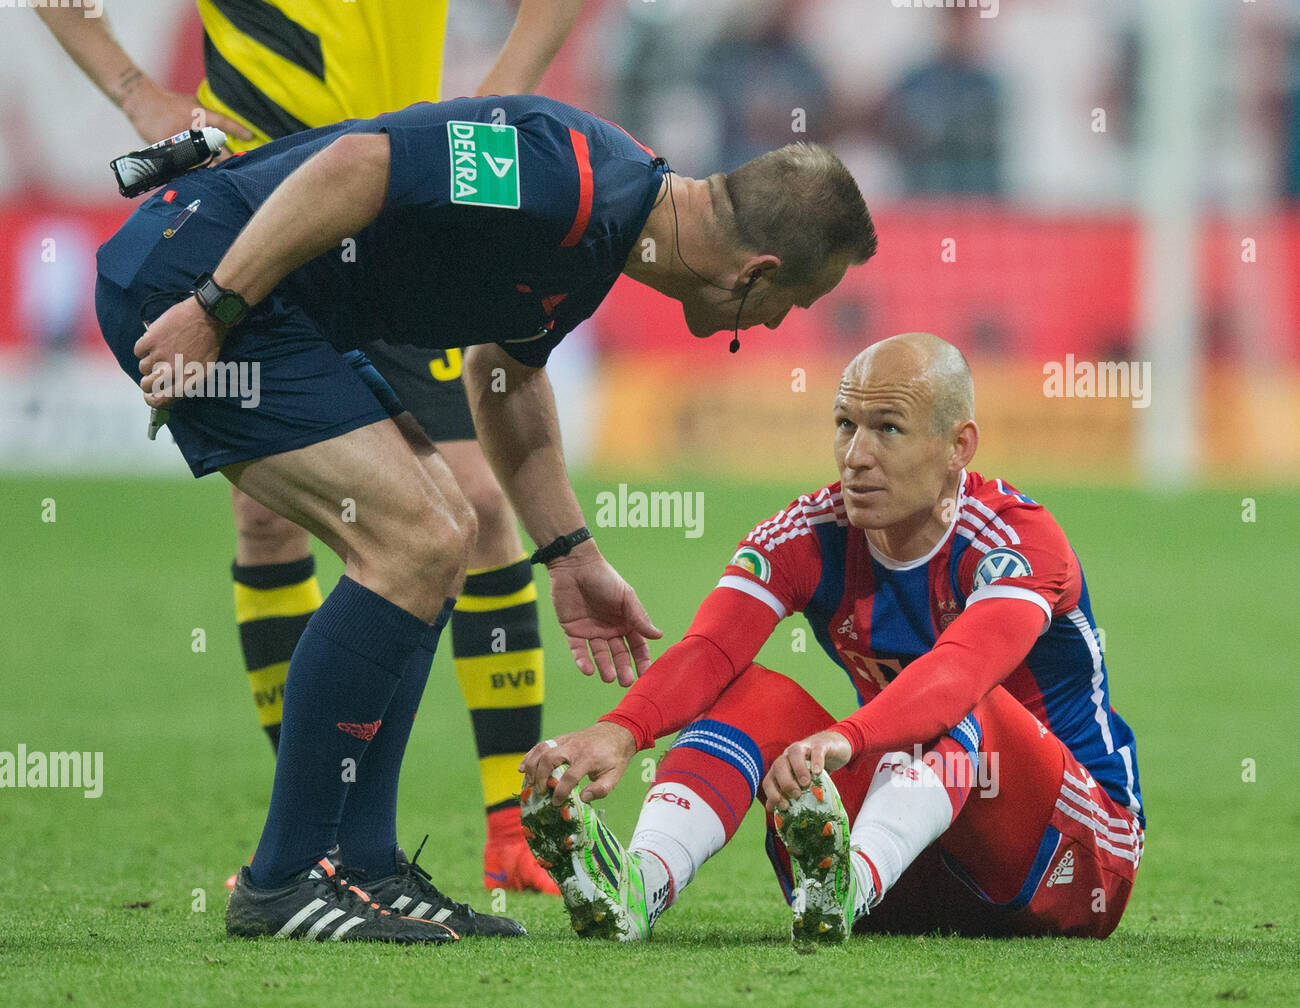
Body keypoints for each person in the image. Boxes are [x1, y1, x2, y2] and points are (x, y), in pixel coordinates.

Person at [94, 97, 877, 942]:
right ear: (757, 271)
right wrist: (213, 307)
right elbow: (359, 164)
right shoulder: (573, 185)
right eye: (795, 302)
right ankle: (284, 877)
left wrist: (571, 555)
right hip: (200, 291)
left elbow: (504, 376)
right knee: (413, 538)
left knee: (447, 531)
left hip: (279, 314)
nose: (776, 323)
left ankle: (363, 864)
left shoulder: (608, 233)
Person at [38, 0, 584, 898]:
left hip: (394, 200)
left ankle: (509, 829)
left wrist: (490, 105)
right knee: (265, 522)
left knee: (479, 505)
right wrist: (136, 92)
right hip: (249, 199)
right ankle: (313, 834)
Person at [520, 332, 1143, 943]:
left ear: (959, 446)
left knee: (961, 697)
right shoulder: (808, 533)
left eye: (888, 429)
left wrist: (844, 738)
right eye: (846, 424)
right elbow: (710, 650)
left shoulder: (1015, 538)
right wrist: (621, 730)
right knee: (746, 689)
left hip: (1071, 855)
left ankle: (851, 878)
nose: (856, 455)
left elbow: (956, 672)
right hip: (911, 847)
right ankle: (640, 886)